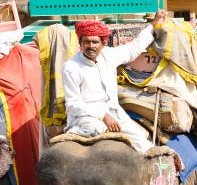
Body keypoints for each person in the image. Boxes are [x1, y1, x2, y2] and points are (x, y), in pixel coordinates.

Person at [62, 10, 167, 151]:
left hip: (115, 115)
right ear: (80, 43)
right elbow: (72, 105)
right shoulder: (71, 67)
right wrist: (102, 116)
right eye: (86, 42)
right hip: (85, 118)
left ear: (102, 43)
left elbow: (133, 48)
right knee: (95, 128)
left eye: (95, 42)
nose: (91, 46)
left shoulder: (109, 55)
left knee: (145, 146)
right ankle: (72, 132)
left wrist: (153, 25)